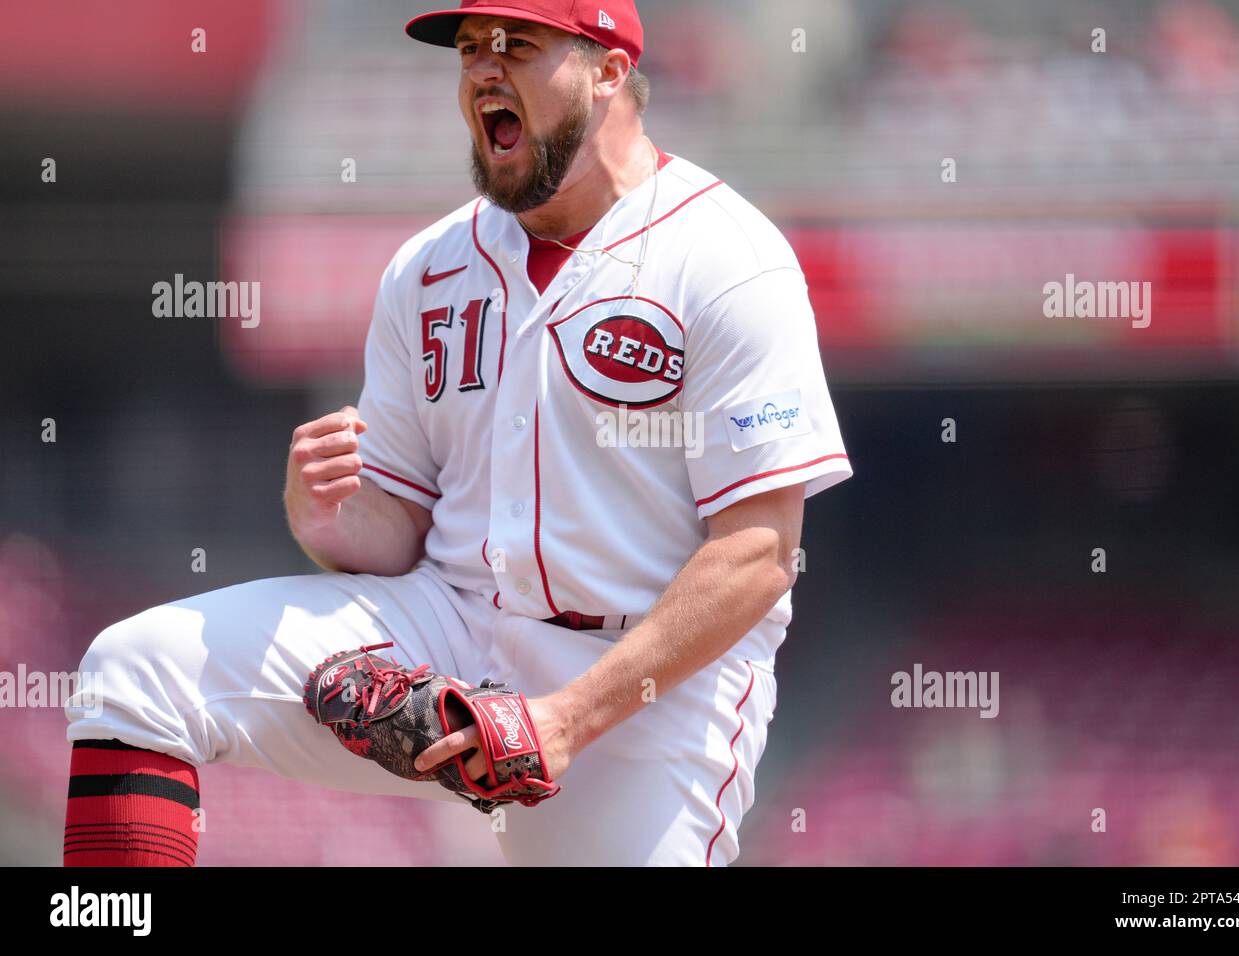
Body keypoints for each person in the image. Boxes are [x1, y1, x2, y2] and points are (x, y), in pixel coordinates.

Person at [62, 0, 852, 867]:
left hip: (646, 689)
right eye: (470, 49)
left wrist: (567, 716)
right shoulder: (429, 267)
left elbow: (757, 553)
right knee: (136, 671)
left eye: (516, 44)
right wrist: (326, 519)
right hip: (450, 633)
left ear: (609, 69)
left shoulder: (728, 256)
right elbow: (396, 525)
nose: (482, 68)